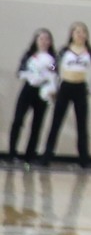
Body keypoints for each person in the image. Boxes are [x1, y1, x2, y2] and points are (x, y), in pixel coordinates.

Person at [41, 22, 91, 167]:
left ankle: (84, 159)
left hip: (80, 88)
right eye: (77, 32)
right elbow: (53, 67)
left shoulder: (89, 52)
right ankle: (47, 156)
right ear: (72, 34)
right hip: (65, 87)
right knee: (56, 122)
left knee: (82, 124)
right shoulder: (64, 50)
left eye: (83, 32)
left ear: (86, 35)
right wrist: (53, 86)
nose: (80, 34)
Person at [9, 29, 55, 162]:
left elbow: (54, 70)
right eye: (41, 39)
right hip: (28, 89)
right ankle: (12, 152)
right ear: (36, 41)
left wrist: (48, 73)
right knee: (18, 120)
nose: (44, 42)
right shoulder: (29, 55)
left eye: (47, 39)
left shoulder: (52, 58)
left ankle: (30, 154)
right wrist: (30, 75)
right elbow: (20, 71)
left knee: (37, 123)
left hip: (42, 91)